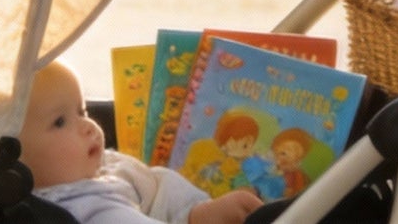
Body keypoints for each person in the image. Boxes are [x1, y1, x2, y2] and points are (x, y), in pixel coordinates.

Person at [19, 62, 263, 224]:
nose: (87, 126)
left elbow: (157, 188)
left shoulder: (99, 167)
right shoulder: (81, 208)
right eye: (60, 122)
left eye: (82, 111)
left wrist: (198, 212)